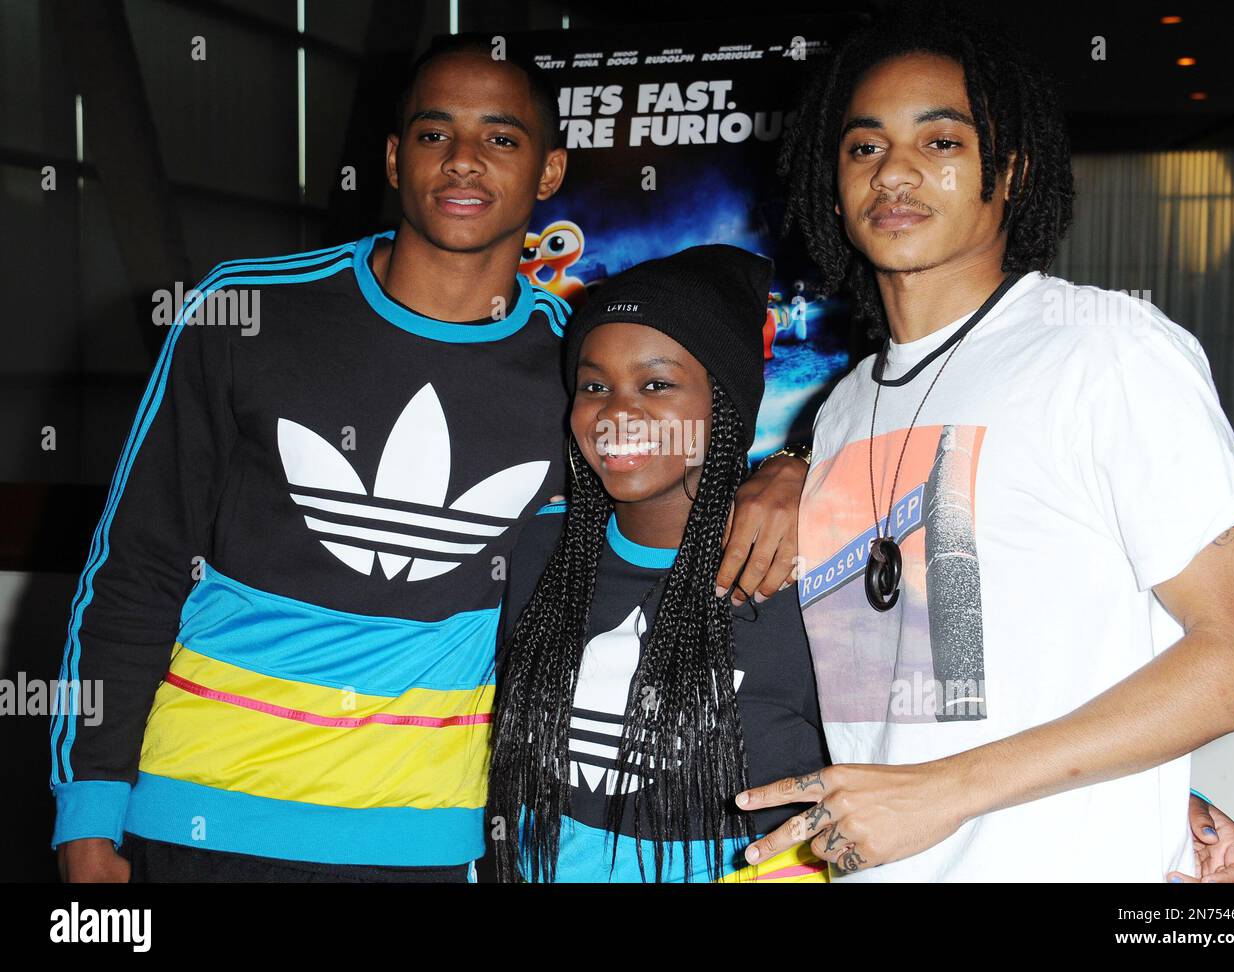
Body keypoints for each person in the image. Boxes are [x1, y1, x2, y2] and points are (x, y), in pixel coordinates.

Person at [50, 36, 806, 883]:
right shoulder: (249, 311)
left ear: (549, 172)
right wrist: (88, 807)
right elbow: (135, 565)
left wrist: (796, 463)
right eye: (434, 133)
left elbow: (679, 478)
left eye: (501, 138)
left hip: (429, 842)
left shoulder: (574, 371)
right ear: (393, 156)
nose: (464, 162)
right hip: (196, 817)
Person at [737, 10, 1234, 882]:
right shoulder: (843, 410)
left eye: (944, 141)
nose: (897, 173)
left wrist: (949, 791)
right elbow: (951, 689)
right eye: (864, 148)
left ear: (1014, 170)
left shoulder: (1103, 348)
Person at [488, 245, 829, 883]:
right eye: (595, 386)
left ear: (722, 404)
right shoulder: (537, 550)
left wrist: (803, 463)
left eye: (656, 385)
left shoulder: (802, 575)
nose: (618, 414)